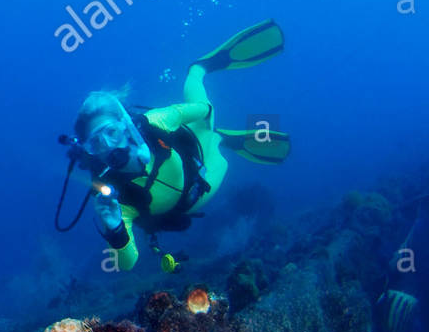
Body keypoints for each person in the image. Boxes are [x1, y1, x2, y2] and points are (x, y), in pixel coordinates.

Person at [56, 20, 290, 271]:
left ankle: (199, 69)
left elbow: (204, 109)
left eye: (111, 132)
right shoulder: (113, 195)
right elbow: (128, 263)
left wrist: (206, 118)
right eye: (96, 143)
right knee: (220, 157)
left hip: (195, 152)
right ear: (89, 151)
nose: (109, 146)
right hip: (193, 199)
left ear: (125, 126)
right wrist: (115, 229)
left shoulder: (156, 121)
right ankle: (222, 140)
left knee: (210, 124)